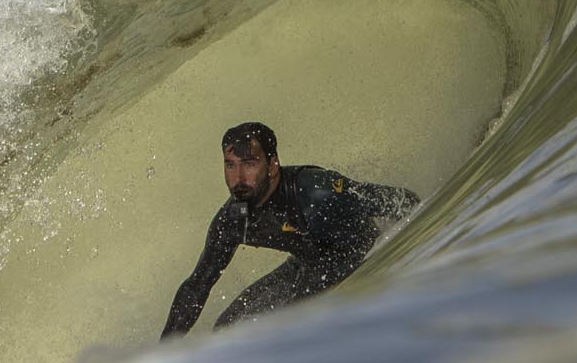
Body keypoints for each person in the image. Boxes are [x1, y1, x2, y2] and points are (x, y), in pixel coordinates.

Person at [159, 121, 418, 337]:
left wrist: (418, 256)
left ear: (273, 165)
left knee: (291, 318)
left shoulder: (315, 190)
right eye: (230, 165)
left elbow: (400, 201)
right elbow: (197, 286)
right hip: (303, 265)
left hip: (357, 257)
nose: (238, 178)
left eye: (249, 163)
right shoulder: (233, 220)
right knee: (227, 329)